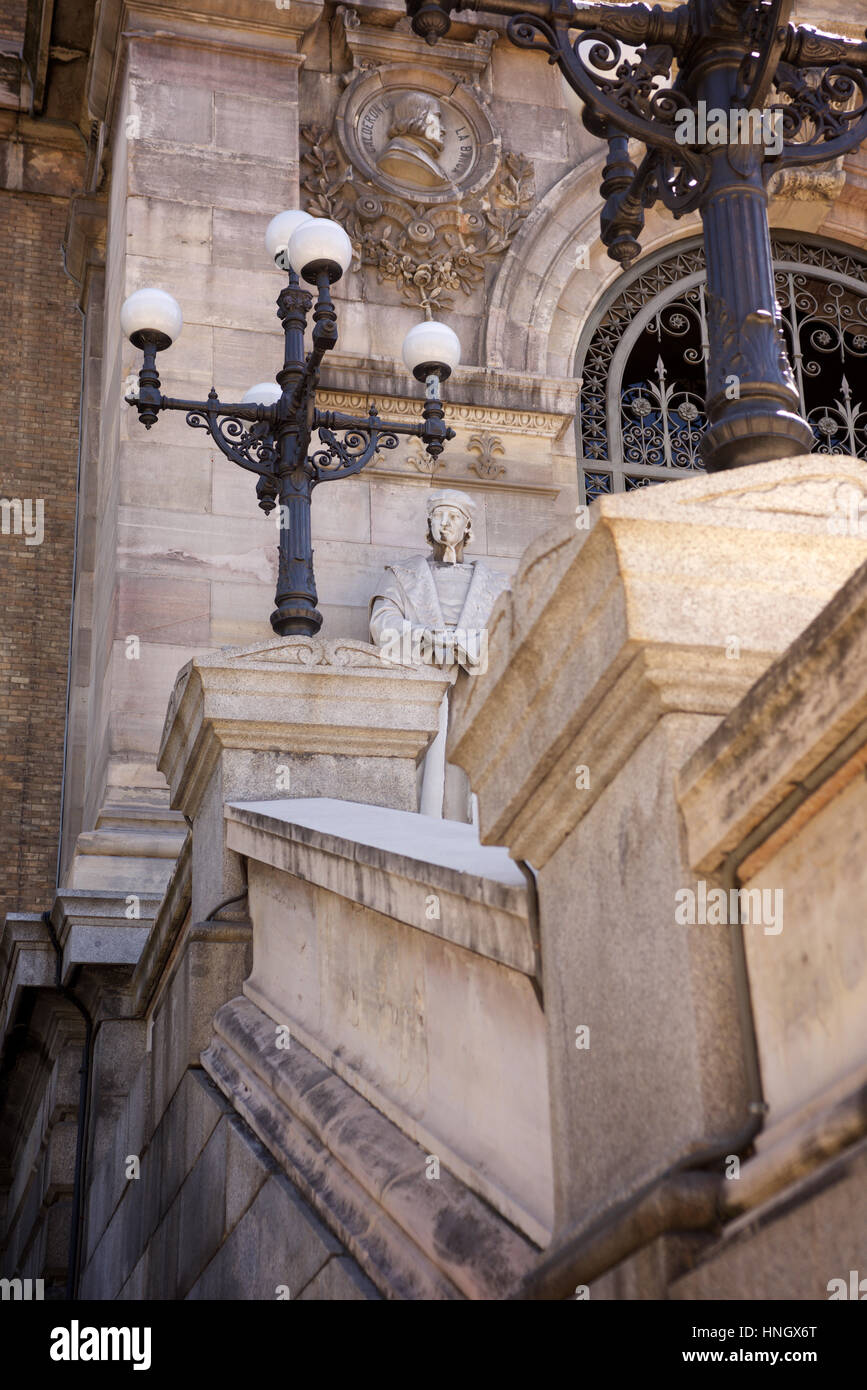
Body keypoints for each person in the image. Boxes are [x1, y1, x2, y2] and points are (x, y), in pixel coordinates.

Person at [369, 490, 510, 819]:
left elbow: (514, 634)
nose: (445, 523)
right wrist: (427, 639)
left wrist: (469, 645)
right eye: (438, 517)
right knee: (425, 778)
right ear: (428, 524)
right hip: (423, 687)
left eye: (453, 517)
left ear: (467, 526)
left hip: (475, 690)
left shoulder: (497, 584)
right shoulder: (400, 575)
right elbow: (383, 626)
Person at [377, 94, 451, 190]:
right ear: (419, 117)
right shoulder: (399, 154)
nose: (443, 129)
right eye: (436, 118)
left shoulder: (425, 157)